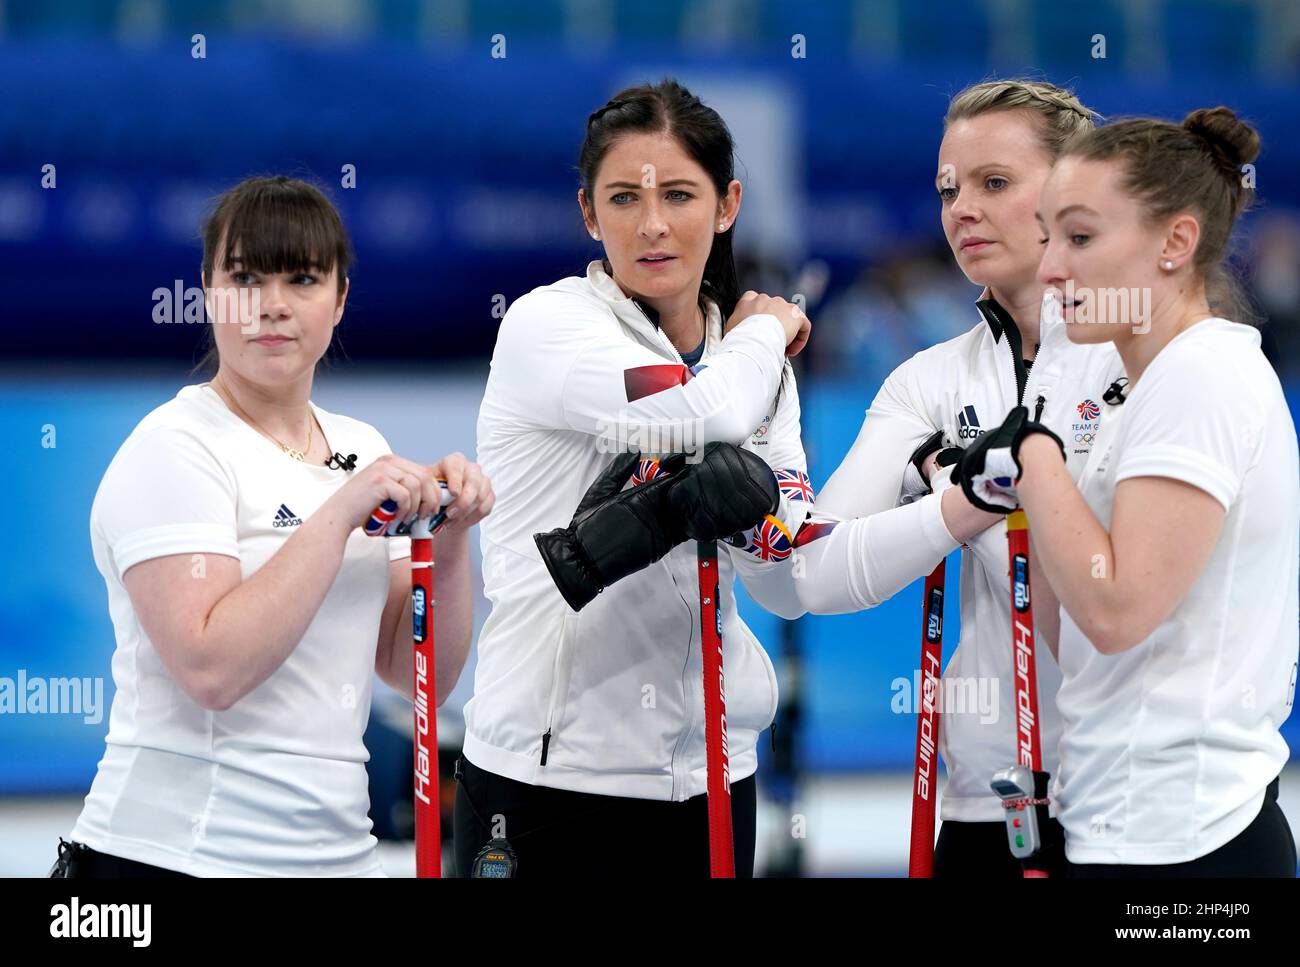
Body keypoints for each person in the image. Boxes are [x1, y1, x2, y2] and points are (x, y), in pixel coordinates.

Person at [53, 175, 493, 877]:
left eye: (303, 278)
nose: (273, 306)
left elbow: (419, 676)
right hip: (175, 858)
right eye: (247, 278)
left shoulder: (361, 444)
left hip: (339, 857)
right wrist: (342, 510)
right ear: (207, 290)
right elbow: (212, 668)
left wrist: (447, 535)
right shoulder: (174, 447)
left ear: (341, 298)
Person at [456, 79, 814, 878]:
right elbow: (703, 410)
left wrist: (762, 518)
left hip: (716, 778)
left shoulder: (751, 368)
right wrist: (767, 329)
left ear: (729, 205)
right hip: (547, 782)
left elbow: (787, 583)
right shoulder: (550, 327)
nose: (652, 224)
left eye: (681, 194)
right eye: (623, 197)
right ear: (589, 214)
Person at [792, 80, 1124, 877]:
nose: (961, 210)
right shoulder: (929, 380)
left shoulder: (1141, 356)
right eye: (949, 189)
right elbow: (814, 569)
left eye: (994, 183)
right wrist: (958, 502)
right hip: (990, 808)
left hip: (1136, 803)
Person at [960, 107, 1298, 876]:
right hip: (1118, 820)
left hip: (1187, 842)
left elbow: (1116, 612)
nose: (1050, 269)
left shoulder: (1201, 377)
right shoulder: (1135, 389)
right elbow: (1071, 623)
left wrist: (1033, 456)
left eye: (1080, 238)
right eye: (1048, 238)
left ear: (1176, 243)